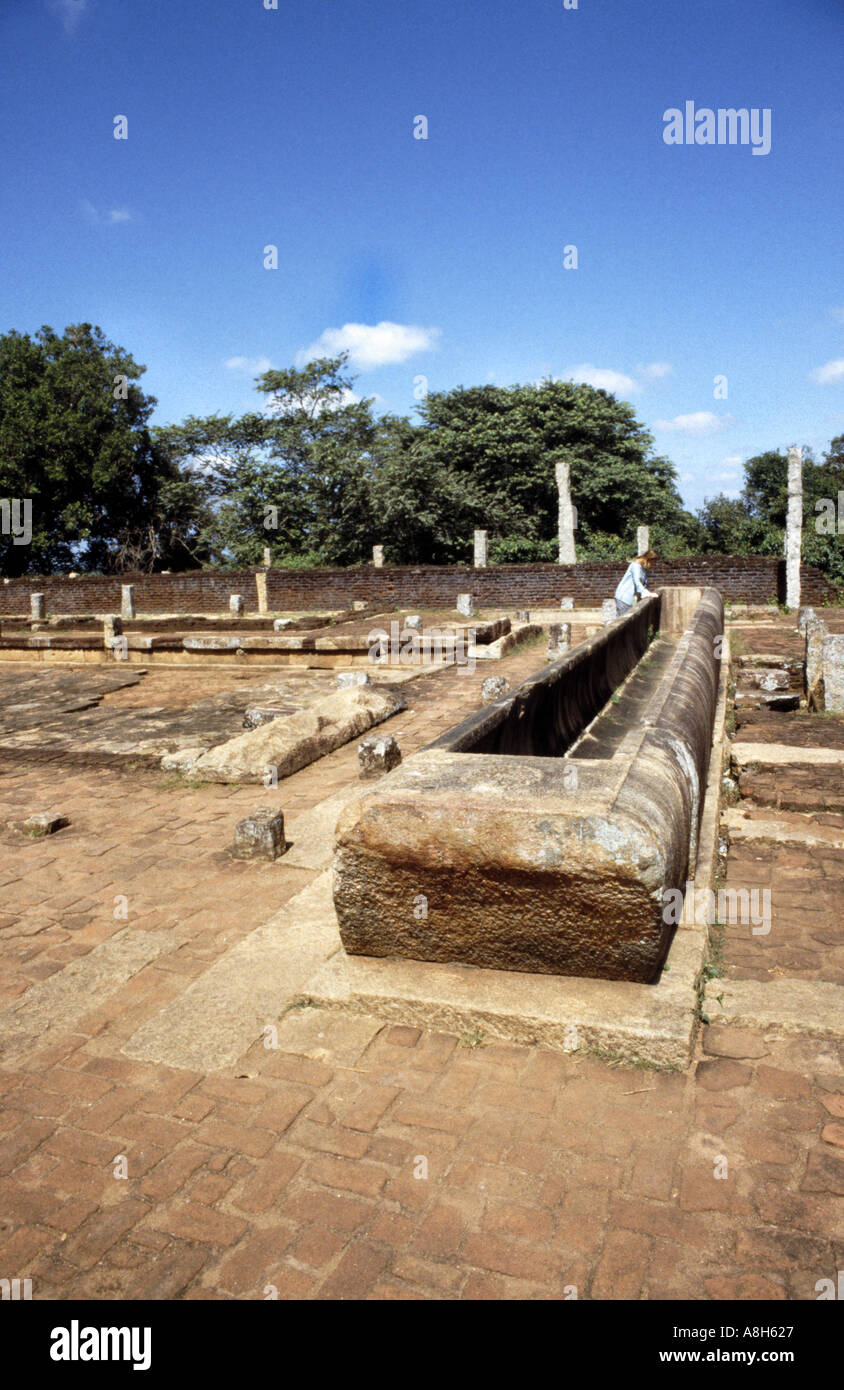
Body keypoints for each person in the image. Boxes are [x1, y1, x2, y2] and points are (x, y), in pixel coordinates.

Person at [614, 549, 658, 616]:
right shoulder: (636, 565)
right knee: (624, 619)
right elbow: (637, 582)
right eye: (653, 562)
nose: (653, 565)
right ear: (649, 559)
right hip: (624, 597)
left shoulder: (643, 568)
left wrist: (649, 592)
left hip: (631, 598)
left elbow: (644, 584)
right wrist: (645, 592)